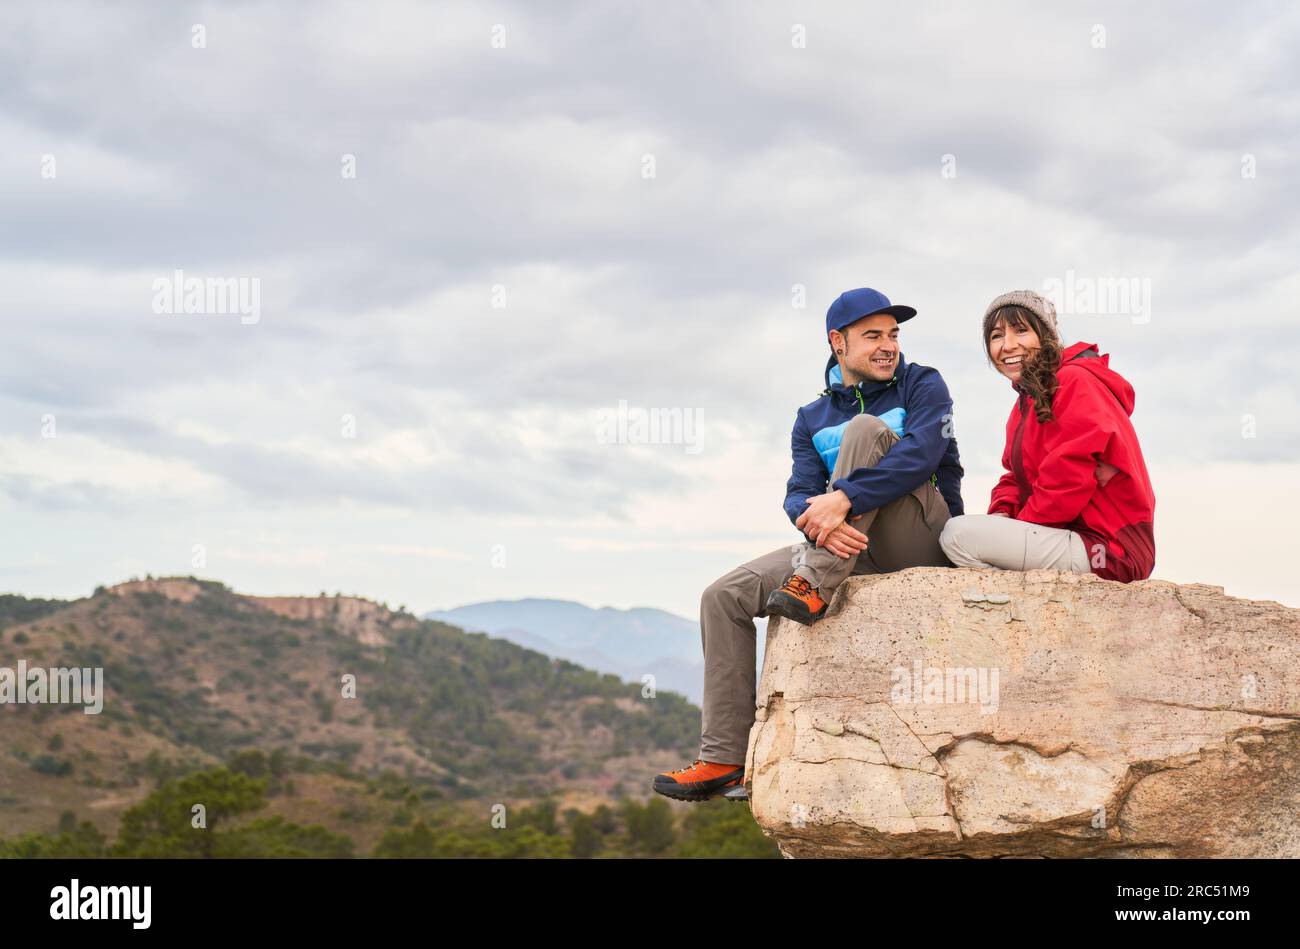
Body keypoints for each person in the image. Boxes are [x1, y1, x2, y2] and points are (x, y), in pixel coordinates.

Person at [652, 287, 965, 802]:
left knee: (864, 430)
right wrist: (815, 515)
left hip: (920, 536)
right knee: (723, 595)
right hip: (847, 546)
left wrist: (842, 496)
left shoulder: (922, 384)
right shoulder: (810, 417)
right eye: (873, 336)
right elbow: (799, 494)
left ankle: (813, 584)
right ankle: (724, 759)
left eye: (893, 335)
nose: (888, 346)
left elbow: (924, 455)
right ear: (837, 342)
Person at [939, 290, 1156, 582]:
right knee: (970, 534)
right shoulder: (1025, 404)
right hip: (1070, 537)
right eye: (996, 336)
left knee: (958, 537)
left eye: (1021, 331)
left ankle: (1017, 608)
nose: (1008, 345)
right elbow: (1014, 477)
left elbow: (1069, 476)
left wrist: (1021, 530)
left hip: (1109, 549)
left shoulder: (1074, 381)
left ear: (1046, 336)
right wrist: (1001, 516)